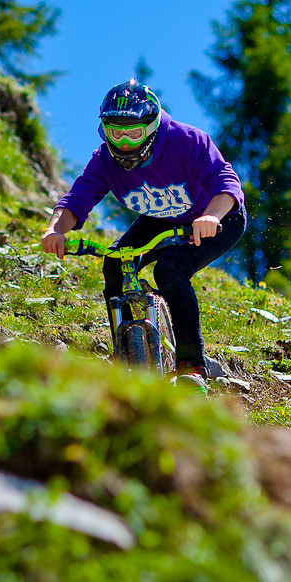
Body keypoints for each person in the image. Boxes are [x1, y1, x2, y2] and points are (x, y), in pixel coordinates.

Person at [41, 79, 246, 395]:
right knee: (114, 264)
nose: (123, 143)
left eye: (133, 133)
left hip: (219, 217)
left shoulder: (187, 141)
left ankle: (192, 368)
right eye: (115, 133)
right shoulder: (105, 160)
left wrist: (210, 216)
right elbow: (76, 198)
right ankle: (125, 351)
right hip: (161, 218)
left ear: (150, 128)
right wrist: (55, 229)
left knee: (170, 269)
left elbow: (225, 181)